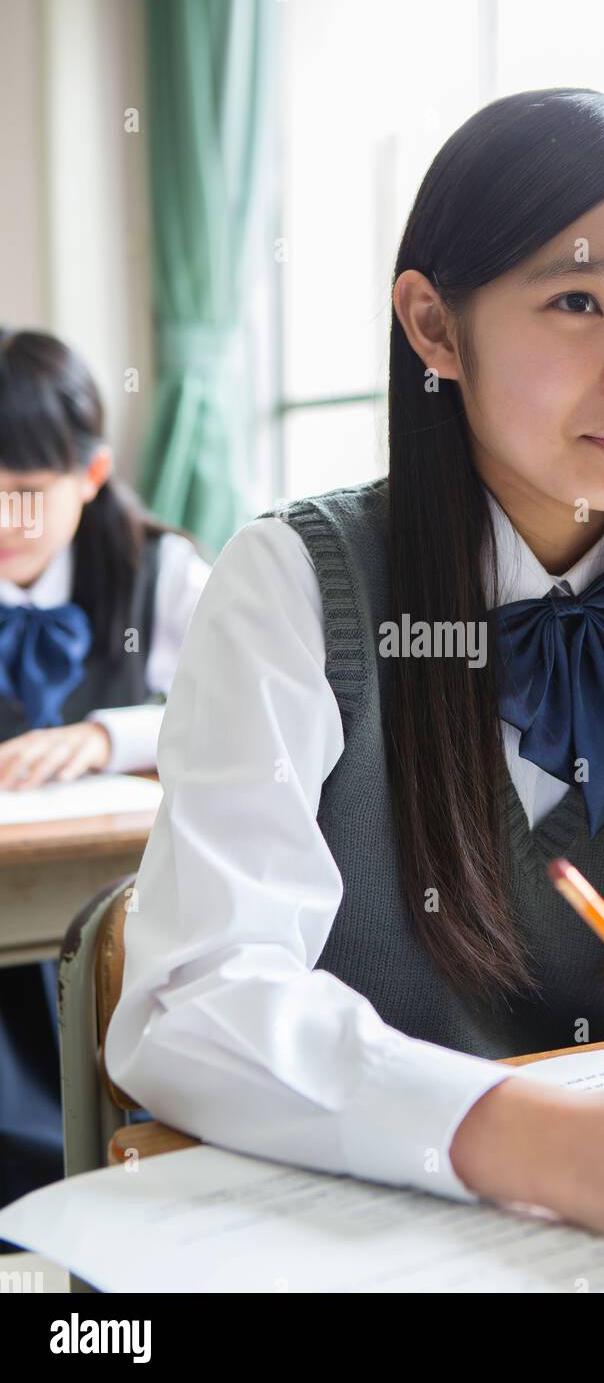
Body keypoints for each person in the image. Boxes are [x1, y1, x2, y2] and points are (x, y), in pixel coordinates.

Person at [105, 88, 604, 1254]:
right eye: (578, 301)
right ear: (435, 328)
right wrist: (539, 1141)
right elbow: (194, 1004)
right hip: (327, 1243)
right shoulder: (293, 584)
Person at [0, 329, 212, 1242]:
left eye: (23, 496)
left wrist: (104, 735)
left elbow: (237, 708)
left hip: (116, 890)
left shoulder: (157, 569)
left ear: (91, 474)